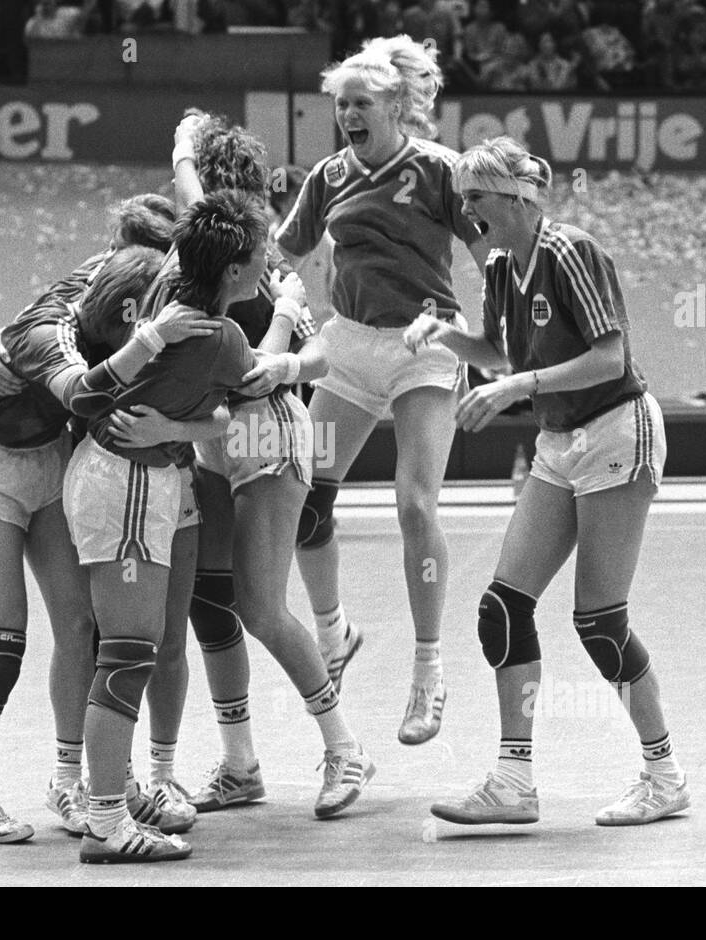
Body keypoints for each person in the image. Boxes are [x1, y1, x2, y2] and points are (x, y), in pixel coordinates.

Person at [407, 136, 691, 828]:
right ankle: (513, 782)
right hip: (559, 442)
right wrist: (444, 334)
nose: (465, 209)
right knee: (502, 607)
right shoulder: (503, 264)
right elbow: (501, 351)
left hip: (618, 430)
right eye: (463, 197)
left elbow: (609, 356)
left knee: (599, 621)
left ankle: (664, 774)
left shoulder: (570, 250)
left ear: (516, 198)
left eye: (475, 197)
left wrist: (517, 387)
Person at [132, 112, 373, 818]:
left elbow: (324, 350)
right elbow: (182, 179)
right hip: (211, 443)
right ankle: (240, 766)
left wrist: (291, 361)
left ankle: (345, 749)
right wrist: (184, 138)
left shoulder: (270, 268)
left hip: (267, 442)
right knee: (213, 604)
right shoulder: (200, 251)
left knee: (261, 607)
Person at [276, 35, 490, 745]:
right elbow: (281, 253)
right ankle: (334, 632)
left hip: (423, 343)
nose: (347, 114)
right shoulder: (329, 176)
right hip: (349, 341)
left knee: (413, 503)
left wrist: (494, 338)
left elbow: (493, 253)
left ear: (397, 105)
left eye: (360, 103)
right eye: (340, 105)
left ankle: (428, 672)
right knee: (305, 497)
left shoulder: (439, 171)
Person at [0, 195, 203, 833]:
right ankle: (52, 784)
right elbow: (70, 376)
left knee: (113, 633)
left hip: (101, 468)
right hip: (31, 465)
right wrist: (1, 341)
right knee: (40, 636)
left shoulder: (174, 291)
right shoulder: (84, 299)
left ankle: (126, 778)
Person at [62, 189, 264, 863]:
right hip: (122, 484)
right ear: (234, 270)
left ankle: (113, 798)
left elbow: (218, 419)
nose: (267, 260)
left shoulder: (173, 304)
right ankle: (104, 822)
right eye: (259, 253)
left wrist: (174, 426)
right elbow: (250, 393)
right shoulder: (214, 332)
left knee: (130, 650)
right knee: (125, 652)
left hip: (139, 482)